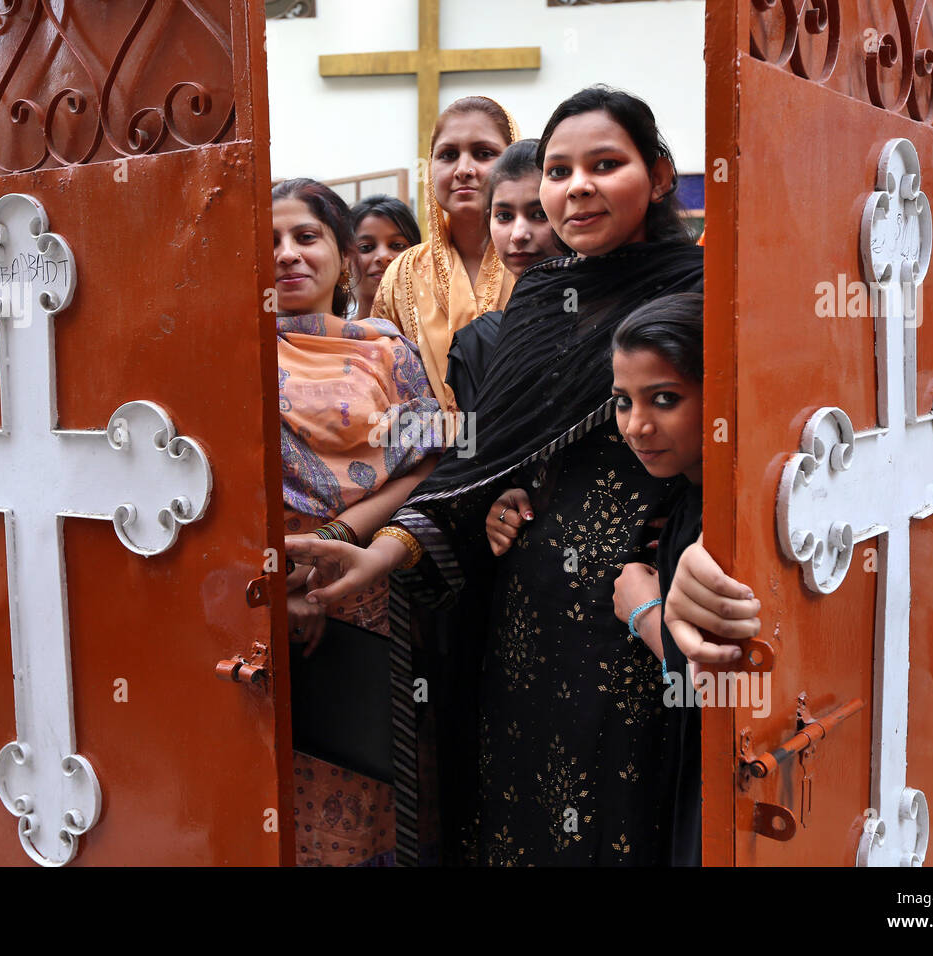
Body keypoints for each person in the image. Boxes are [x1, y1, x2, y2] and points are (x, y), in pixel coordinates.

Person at [289, 86, 714, 866]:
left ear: (658, 177)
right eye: (559, 170)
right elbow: (475, 469)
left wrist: (671, 567)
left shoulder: (704, 294)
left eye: (604, 165)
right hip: (524, 616)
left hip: (638, 612)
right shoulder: (541, 303)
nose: (575, 186)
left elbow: (728, 453)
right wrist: (375, 554)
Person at [271, 177, 445, 866]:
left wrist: (337, 541)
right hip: (267, 595)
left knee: (375, 773)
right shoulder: (226, 352)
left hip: (370, 590)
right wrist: (287, 585)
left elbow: (427, 464)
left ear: (344, 257)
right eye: (270, 243)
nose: (287, 254)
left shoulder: (385, 348)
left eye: (306, 237)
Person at [607, 291, 708, 866]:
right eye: (623, 402)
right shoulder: (687, 492)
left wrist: (646, 612)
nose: (637, 426)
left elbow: (722, 681)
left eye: (665, 399)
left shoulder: (734, 508)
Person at [372, 97, 520, 412]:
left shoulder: (539, 260)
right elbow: (379, 384)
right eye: (448, 155)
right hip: (427, 457)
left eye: (484, 154)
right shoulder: (401, 275)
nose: (464, 170)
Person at [446, 138, 568, 413]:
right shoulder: (478, 342)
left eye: (538, 214)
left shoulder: (604, 320)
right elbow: (476, 447)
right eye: (504, 216)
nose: (518, 234)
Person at [347, 195, 420, 321]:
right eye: (366, 247)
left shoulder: (440, 334)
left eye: (397, 245)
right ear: (345, 259)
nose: (383, 256)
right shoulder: (329, 337)